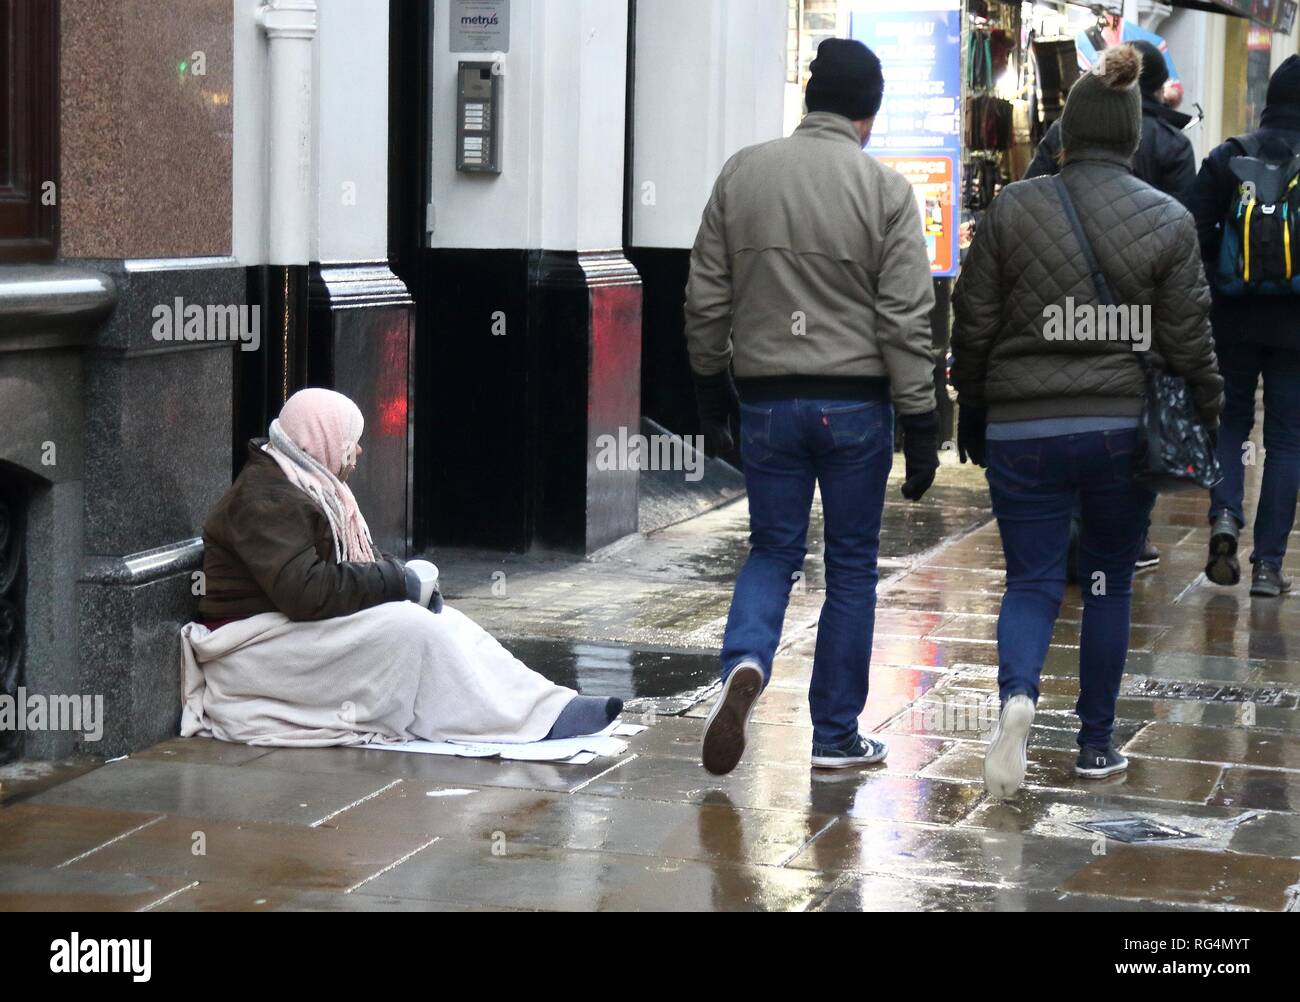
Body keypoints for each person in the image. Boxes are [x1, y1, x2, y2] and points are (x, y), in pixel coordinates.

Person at [951, 46, 1222, 797]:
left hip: (1022, 426)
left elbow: (971, 320)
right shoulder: (1167, 219)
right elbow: (1188, 335)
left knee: (1031, 580)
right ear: (1134, 135)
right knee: (1107, 582)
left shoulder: (1012, 206)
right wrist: (1208, 411)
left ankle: (1016, 697)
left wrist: (972, 407)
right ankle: (1097, 745)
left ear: (1066, 132)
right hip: (1119, 429)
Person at [685, 39, 939, 774]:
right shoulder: (886, 192)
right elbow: (904, 319)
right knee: (853, 567)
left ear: (809, 98)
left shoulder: (743, 173)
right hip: (855, 406)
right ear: (870, 112)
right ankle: (834, 735)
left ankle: (745, 662)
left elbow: (706, 296)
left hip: (768, 400)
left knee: (772, 550)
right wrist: (921, 420)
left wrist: (710, 386)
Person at [182, 388, 621, 746]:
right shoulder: (267, 498)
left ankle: (545, 706)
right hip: (253, 646)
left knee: (449, 622)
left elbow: (353, 562)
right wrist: (397, 583)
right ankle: (508, 721)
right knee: (414, 631)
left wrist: (406, 582)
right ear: (320, 438)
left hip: (285, 626)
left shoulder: (305, 483)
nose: (357, 450)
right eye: (349, 439)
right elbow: (305, 592)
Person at [1191, 55, 1300, 598]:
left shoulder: (1228, 156)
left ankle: (1225, 516)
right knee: (1285, 440)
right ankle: (1268, 567)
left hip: (1230, 319)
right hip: (1296, 331)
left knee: (1230, 423)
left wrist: (1220, 279)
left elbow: (1190, 229)